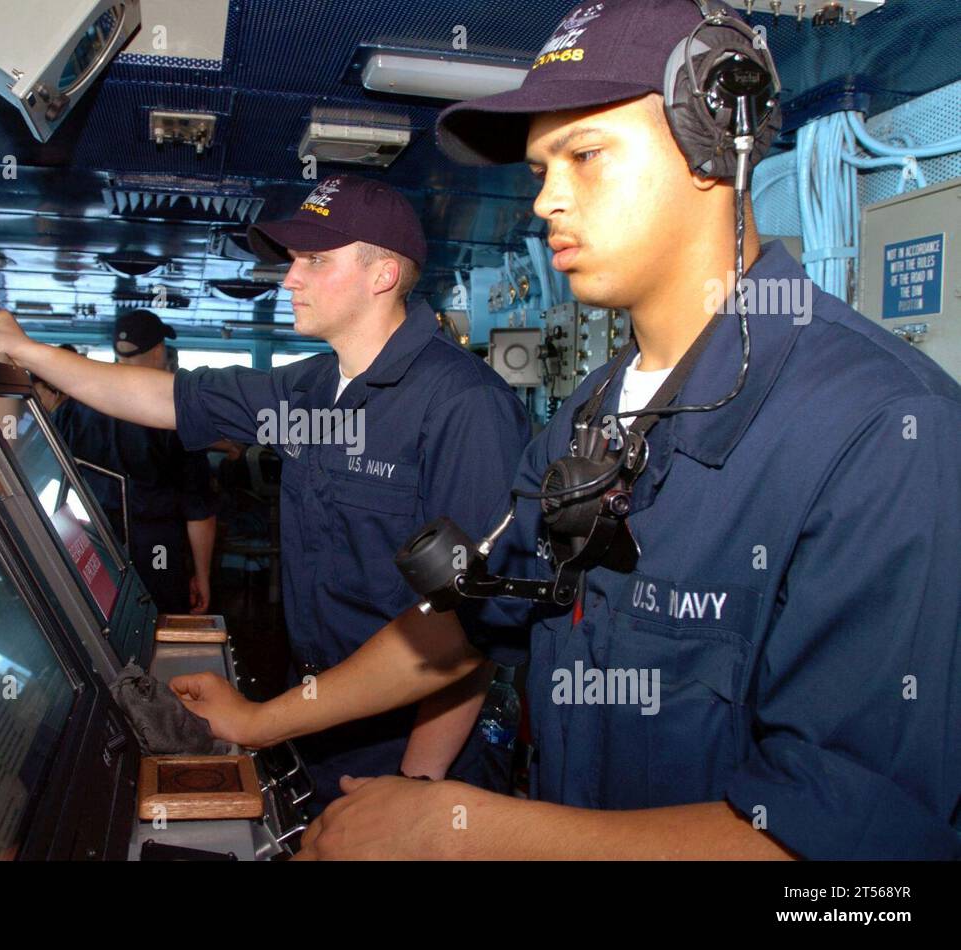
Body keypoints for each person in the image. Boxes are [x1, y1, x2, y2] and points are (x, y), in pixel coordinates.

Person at [163, 0, 961, 859]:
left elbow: (853, 852)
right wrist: (260, 718)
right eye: (543, 165)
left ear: (714, 143)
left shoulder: (881, 431)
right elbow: (464, 622)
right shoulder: (592, 416)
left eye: (584, 155)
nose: (545, 197)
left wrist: (463, 829)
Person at [0, 174, 530, 813]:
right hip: (317, 720)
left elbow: (470, 634)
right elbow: (160, 398)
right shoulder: (308, 389)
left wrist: (415, 786)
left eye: (315, 261)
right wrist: (24, 350)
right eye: (292, 261)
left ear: (383, 275)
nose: (290, 279)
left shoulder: (466, 407)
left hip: (406, 752)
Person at [32, 322, 218, 615]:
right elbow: (198, 512)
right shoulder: (174, 415)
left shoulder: (71, 409)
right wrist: (203, 576)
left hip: (91, 541)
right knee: (160, 624)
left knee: (102, 625)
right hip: (157, 549)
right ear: (158, 351)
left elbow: (45, 478)